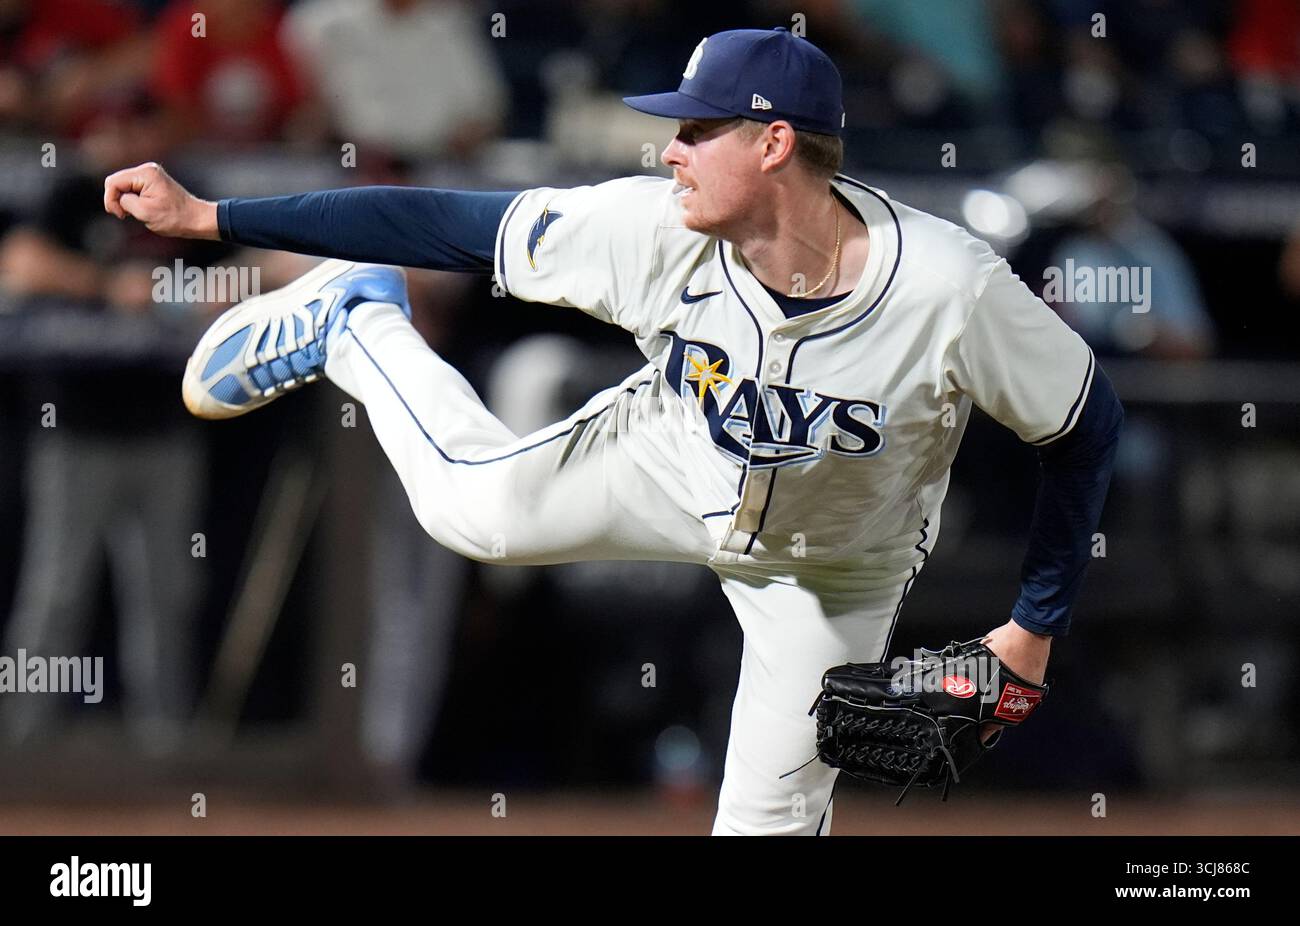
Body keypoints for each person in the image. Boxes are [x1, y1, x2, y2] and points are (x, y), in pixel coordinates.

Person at [103, 27, 1124, 835]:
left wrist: (1030, 630)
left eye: (697, 130)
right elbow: (445, 222)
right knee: (475, 512)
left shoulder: (948, 288)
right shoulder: (647, 230)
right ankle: (352, 318)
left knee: (767, 827)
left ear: (773, 144)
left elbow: (1083, 424)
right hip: (671, 456)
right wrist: (217, 216)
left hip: (834, 570)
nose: (670, 150)